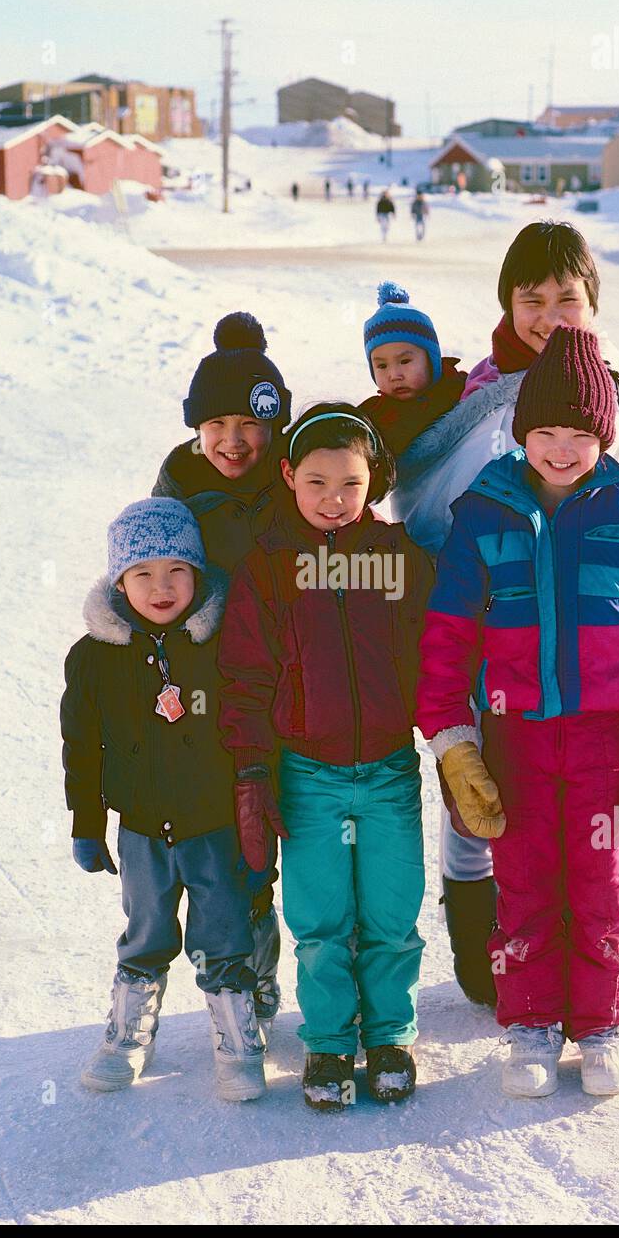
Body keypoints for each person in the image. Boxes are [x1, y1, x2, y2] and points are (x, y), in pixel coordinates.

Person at [390, 220, 619, 1011]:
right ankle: (479, 940)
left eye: (568, 299)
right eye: (532, 300)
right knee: (481, 789)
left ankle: (606, 953)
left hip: (592, 628)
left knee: (608, 806)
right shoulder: (485, 385)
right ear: (507, 302)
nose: (550, 316)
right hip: (492, 622)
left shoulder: (614, 383)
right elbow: (438, 482)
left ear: (591, 302)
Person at [415, 327, 619, 1096]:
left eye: (579, 433)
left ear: (604, 434)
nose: (559, 448)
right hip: (512, 737)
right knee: (523, 879)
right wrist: (452, 740)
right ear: (521, 434)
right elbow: (446, 637)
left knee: (603, 877)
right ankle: (531, 1023)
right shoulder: (482, 514)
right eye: (545, 432)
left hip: (607, 737)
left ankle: (606, 1020)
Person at [216, 404, 435, 1111]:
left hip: (388, 768)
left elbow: (438, 659)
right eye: (315, 482)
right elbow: (244, 680)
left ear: (374, 480)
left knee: (390, 913)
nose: (333, 499)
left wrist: (460, 745)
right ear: (287, 475)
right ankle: (331, 1042)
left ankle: (390, 1035)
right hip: (306, 773)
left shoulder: (401, 560)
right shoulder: (269, 567)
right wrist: (252, 771)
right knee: (319, 920)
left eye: (350, 483)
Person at [61, 497, 267, 1101]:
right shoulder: (96, 658)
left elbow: (253, 725)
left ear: (198, 574)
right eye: (143, 573)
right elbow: (83, 747)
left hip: (215, 826)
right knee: (146, 929)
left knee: (224, 929)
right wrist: (87, 823)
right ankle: (129, 1031)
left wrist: (260, 806)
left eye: (176, 569)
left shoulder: (222, 644)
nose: (161, 586)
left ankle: (237, 1036)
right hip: (143, 831)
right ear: (120, 582)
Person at [151, 312, 292, 1027]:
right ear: (195, 428)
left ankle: (345, 981)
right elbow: (151, 582)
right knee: (241, 848)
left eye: (249, 424)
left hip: (297, 685)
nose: (233, 441)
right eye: (216, 425)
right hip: (218, 688)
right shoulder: (178, 484)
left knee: (310, 832)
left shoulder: (298, 474)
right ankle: (254, 978)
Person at [358, 281, 466, 457]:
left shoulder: (461, 391)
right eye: (382, 366)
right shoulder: (373, 416)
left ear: (431, 360)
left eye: (405, 361)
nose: (394, 375)